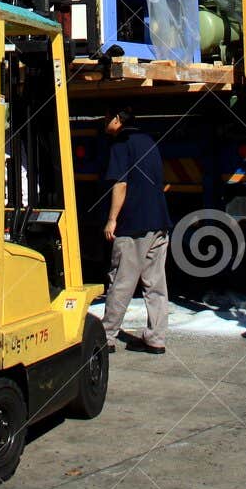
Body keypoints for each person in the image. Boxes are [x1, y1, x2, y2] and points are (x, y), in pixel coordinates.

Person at [100, 104, 171, 354]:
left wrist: (112, 219)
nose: (103, 121)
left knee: (121, 281)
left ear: (118, 120)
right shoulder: (148, 141)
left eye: (106, 117)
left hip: (134, 225)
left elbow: (120, 184)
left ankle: (106, 336)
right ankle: (156, 338)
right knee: (155, 284)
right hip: (159, 222)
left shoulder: (121, 144)